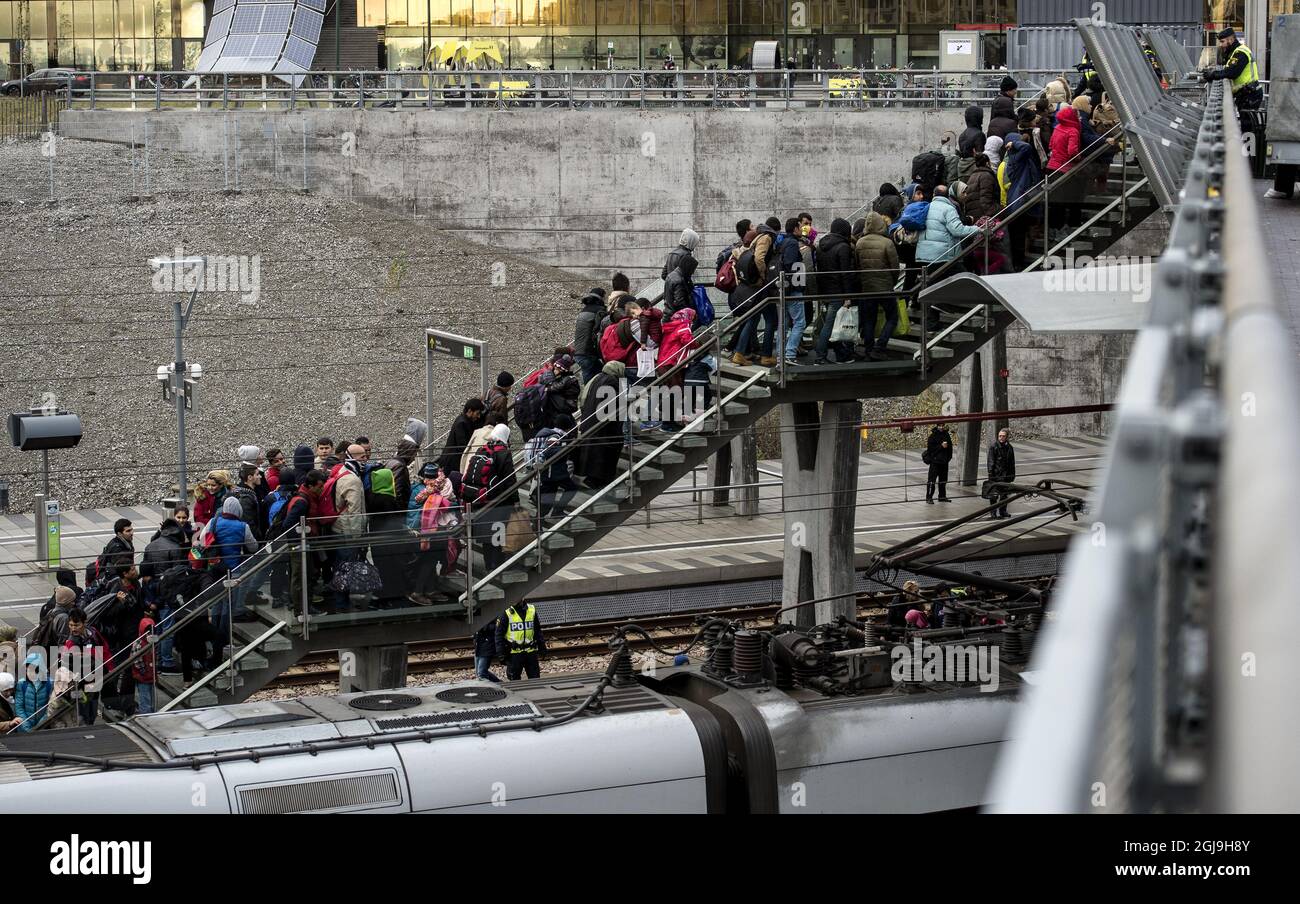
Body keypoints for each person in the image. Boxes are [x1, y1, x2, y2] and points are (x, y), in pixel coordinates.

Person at [916, 183, 982, 329]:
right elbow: (957, 230)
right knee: (965, 278)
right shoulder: (948, 208)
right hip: (942, 254)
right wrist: (978, 229)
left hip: (924, 255)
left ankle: (931, 324)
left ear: (934, 195)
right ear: (947, 196)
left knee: (930, 288)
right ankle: (945, 304)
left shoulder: (926, 207)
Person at [731, 217, 783, 367]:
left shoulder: (760, 237)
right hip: (761, 286)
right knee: (771, 320)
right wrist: (763, 276)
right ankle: (765, 355)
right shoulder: (766, 237)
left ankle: (740, 353)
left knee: (753, 318)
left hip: (756, 287)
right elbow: (759, 259)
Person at [812, 217, 860, 365]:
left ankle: (842, 354)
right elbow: (845, 273)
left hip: (825, 290)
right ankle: (820, 356)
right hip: (838, 291)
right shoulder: (843, 247)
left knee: (834, 322)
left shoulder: (821, 246)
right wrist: (847, 296)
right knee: (830, 324)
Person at [327, 447, 368, 613]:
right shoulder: (353, 480)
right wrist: (356, 537)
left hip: (337, 527)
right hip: (347, 532)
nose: (366, 459)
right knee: (345, 567)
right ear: (353, 458)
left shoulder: (341, 472)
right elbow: (354, 512)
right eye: (363, 456)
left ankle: (341, 601)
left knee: (340, 566)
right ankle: (341, 604)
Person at [576, 360, 627, 487]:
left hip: (589, 421)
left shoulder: (596, 378)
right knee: (607, 451)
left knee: (593, 451)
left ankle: (591, 478)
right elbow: (616, 406)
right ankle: (600, 480)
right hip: (604, 425)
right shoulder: (613, 382)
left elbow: (582, 399)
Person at [1202, 27, 1263, 133]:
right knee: (1247, 125)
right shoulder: (1235, 52)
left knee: (1248, 127)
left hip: (1250, 94)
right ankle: (1249, 146)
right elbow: (1227, 69)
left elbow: (1232, 73)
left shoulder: (1241, 53)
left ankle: (1250, 148)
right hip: (1246, 93)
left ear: (1231, 40)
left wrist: (1213, 75)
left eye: (1222, 41)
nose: (1221, 45)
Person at [282, 470, 325, 614]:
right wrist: (300, 540)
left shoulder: (305, 496)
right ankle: (302, 609)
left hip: (303, 543)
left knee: (305, 575)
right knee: (301, 577)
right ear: (311, 486)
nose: (321, 489)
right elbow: (288, 524)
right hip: (300, 545)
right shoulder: (302, 501)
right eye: (319, 486)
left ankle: (302, 607)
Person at [364, 467, 407, 609]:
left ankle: (378, 598)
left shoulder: (371, 495)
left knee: (381, 569)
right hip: (390, 540)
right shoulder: (388, 499)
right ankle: (388, 599)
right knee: (391, 570)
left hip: (376, 539)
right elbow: (394, 520)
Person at [525, 413, 578, 521]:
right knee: (568, 490)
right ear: (566, 426)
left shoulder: (551, 433)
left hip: (553, 473)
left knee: (567, 489)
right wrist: (568, 447)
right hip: (553, 473)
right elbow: (549, 450)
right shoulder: (556, 436)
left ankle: (544, 515)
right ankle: (545, 516)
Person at [1046, 102, 1084, 243]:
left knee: (1055, 203)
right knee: (1063, 202)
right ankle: (1061, 230)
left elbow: (1050, 145)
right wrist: (1080, 157)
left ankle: (1052, 231)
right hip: (1065, 169)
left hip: (1052, 168)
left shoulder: (1057, 128)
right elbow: (1072, 152)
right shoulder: (1073, 131)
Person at [63, 608, 107, 726]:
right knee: (83, 711)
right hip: (80, 684)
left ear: (84, 623)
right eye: (71, 625)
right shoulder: (70, 642)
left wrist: (109, 667)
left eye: (76, 625)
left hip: (95, 678)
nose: (73, 628)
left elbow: (105, 649)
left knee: (93, 707)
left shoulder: (93, 633)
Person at [496, 602, 545, 680]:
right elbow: (499, 635)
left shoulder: (531, 609)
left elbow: (537, 630)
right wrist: (501, 653)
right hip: (514, 654)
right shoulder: (506, 611)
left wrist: (542, 646)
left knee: (535, 679)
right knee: (514, 681)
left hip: (530, 652)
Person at [438, 398, 486, 477]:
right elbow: (462, 446)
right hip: (452, 462)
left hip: (451, 460)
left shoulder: (463, 420)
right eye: (477, 413)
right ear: (470, 411)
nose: (478, 416)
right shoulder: (462, 424)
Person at [8, 652, 51, 733]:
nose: (30, 672)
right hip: (24, 730)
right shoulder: (22, 684)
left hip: (44, 728)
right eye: (28, 669)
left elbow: (50, 707)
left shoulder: (49, 683)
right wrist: (27, 728)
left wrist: (41, 726)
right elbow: (19, 707)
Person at [574, 287, 609, 385]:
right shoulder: (599, 310)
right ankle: (589, 396)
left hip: (579, 352)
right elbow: (602, 329)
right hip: (588, 352)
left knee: (598, 374)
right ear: (601, 298)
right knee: (594, 379)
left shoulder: (583, 311)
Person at [132, 602, 159, 715]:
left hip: (151, 674)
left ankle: (151, 711)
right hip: (142, 675)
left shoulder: (152, 642)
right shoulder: (139, 643)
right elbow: (136, 658)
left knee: (152, 695)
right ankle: (146, 713)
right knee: (145, 696)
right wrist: (142, 669)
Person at [986, 428, 1016, 519]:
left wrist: (1012, 475)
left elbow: (1012, 463)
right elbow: (991, 461)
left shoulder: (1009, 447)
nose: (1001, 438)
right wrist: (991, 474)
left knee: (1004, 495)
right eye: (1000, 436)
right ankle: (993, 512)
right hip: (996, 475)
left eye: (1003, 436)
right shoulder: (994, 447)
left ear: (1006, 437)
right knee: (994, 495)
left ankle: (1003, 511)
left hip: (1006, 475)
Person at [963, 153, 1000, 223]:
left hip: (974, 217)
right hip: (983, 218)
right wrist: (1000, 210)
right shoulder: (986, 176)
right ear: (987, 163)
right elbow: (986, 202)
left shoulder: (972, 176)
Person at [662, 249, 698, 317]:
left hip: (668, 313)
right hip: (676, 317)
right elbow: (679, 302)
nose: (692, 272)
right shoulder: (679, 280)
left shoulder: (671, 275)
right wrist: (689, 313)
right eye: (692, 269)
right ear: (688, 267)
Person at [925, 424, 954, 503]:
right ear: (937, 426)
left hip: (944, 462)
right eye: (939, 426)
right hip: (935, 462)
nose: (941, 427)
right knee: (932, 481)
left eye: (942, 425)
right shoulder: (932, 436)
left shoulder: (946, 435)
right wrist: (941, 446)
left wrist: (948, 458)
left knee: (943, 481)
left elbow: (950, 447)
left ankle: (942, 496)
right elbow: (931, 450)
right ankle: (929, 497)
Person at [957, 105, 986, 182]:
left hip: (961, 170)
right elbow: (980, 155)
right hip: (974, 170)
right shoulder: (979, 134)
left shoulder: (962, 135)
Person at [474, 617, 502, 682]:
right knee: (480, 673)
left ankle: (492, 687)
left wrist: (483, 627)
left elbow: (498, 626)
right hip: (479, 645)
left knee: (481, 673)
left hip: (487, 646)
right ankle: (499, 683)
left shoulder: (492, 612)